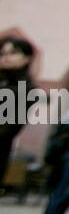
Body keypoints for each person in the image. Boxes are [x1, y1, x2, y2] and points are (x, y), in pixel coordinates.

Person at [0, 37, 35, 178]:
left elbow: (8, 128)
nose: (6, 57)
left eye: (13, 52)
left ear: (27, 58)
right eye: (2, 53)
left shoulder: (24, 90)